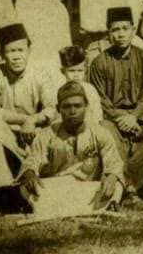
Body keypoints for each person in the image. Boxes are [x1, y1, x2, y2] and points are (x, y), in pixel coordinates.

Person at [17, 81, 125, 213]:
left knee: (117, 185)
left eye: (77, 106)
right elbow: (32, 160)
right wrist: (30, 173)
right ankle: (95, 208)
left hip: (88, 187)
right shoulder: (46, 134)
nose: (72, 111)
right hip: (56, 186)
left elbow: (114, 162)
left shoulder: (99, 132)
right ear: (58, 109)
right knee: (26, 187)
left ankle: (51, 208)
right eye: (66, 107)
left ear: (86, 106)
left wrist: (112, 177)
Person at [87, 7, 143, 199]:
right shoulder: (99, 62)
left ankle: (134, 184)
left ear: (133, 30)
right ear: (108, 33)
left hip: (139, 116)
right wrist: (122, 118)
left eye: (124, 29)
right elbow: (100, 99)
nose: (120, 34)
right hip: (113, 118)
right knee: (105, 129)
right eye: (115, 30)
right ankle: (126, 185)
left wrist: (134, 116)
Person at [0, 23, 58, 193]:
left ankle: (34, 183)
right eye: (11, 51)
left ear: (29, 51)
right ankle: (4, 189)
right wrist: (25, 120)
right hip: (8, 135)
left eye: (20, 50)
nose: (16, 57)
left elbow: (51, 109)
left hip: (35, 134)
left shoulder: (40, 73)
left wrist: (33, 121)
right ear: (1, 54)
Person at [58, 46, 103, 126]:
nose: (76, 75)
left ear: (85, 70)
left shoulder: (90, 90)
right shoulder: (60, 89)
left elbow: (97, 113)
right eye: (71, 71)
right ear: (63, 71)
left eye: (80, 71)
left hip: (88, 127)